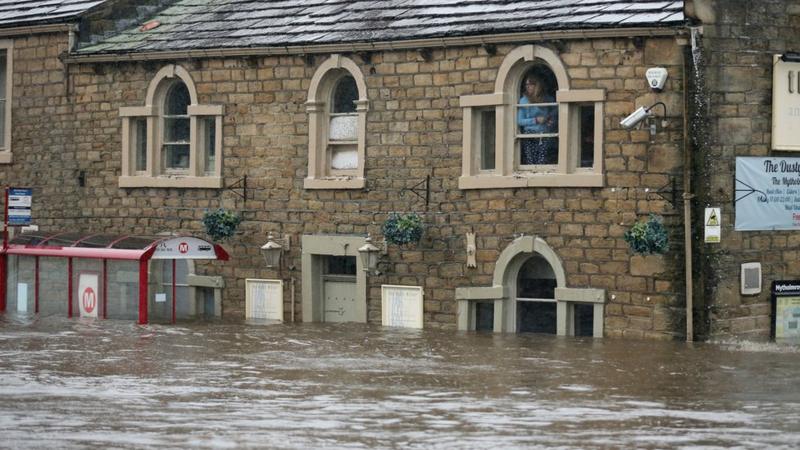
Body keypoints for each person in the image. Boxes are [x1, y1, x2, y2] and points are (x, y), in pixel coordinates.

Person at [517, 73, 557, 165]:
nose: (528, 87)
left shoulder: (547, 99)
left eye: (531, 84)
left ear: (538, 85)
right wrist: (535, 120)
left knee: (542, 161)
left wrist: (551, 120)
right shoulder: (524, 101)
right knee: (531, 161)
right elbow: (520, 121)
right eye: (526, 85)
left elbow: (556, 113)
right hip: (529, 135)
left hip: (544, 134)